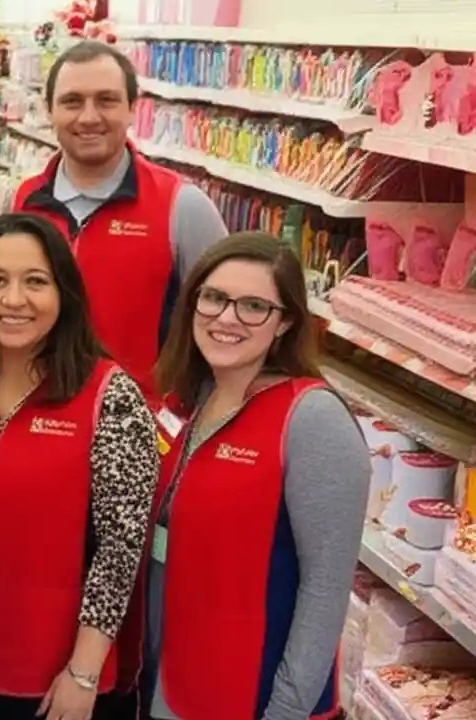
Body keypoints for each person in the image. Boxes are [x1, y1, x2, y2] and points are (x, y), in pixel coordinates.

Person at [0, 213, 158, 720]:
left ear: (64, 293)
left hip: (51, 678)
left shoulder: (110, 397)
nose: (14, 300)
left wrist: (83, 672)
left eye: (36, 282)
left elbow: (119, 549)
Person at [142, 233, 369, 720]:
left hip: (255, 695)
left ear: (285, 322)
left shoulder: (311, 419)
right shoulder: (188, 397)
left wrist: (285, 710)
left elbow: (326, 590)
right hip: (175, 679)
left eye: (253, 306)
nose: (227, 318)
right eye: (215, 298)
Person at [10, 40, 227, 398]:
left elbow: (223, 325)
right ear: (49, 111)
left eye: (106, 100)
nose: (89, 117)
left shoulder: (182, 207)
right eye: (72, 101)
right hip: (37, 411)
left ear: (131, 109)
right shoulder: (24, 202)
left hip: (142, 426)